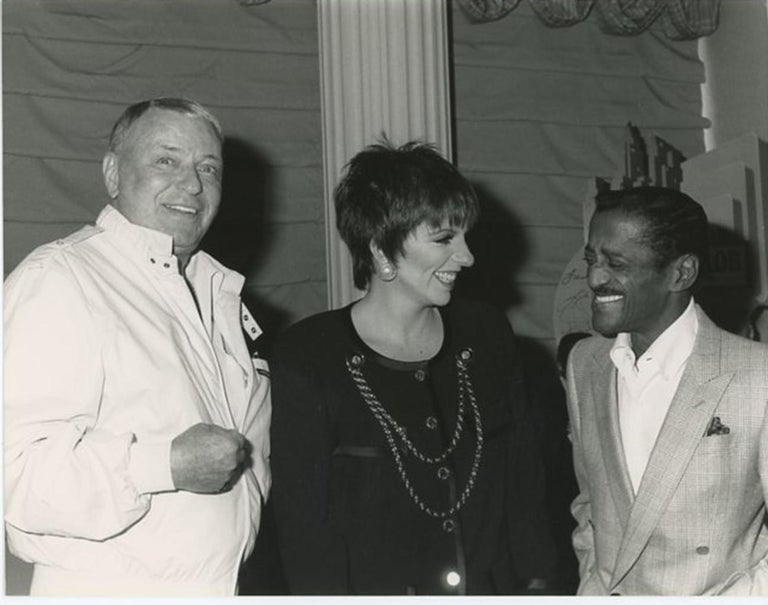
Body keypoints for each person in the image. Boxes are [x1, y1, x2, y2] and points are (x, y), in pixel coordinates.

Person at [3, 97, 271, 596]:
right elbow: (16, 476)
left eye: (208, 168)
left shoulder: (220, 296)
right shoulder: (63, 279)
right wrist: (163, 464)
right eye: (166, 160)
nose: (192, 184)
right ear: (112, 174)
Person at [269, 140, 556, 595]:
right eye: (444, 239)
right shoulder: (307, 357)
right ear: (381, 251)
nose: (467, 256)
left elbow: (525, 491)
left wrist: (540, 588)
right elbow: (306, 539)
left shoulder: (487, 335)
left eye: (464, 236)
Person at [565, 185, 768, 595]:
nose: (594, 278)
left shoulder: (757, 375)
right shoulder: (584, 364)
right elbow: (589, 507)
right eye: (592, 259)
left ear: (681, 273)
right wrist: (592, 585)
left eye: (615, 263)